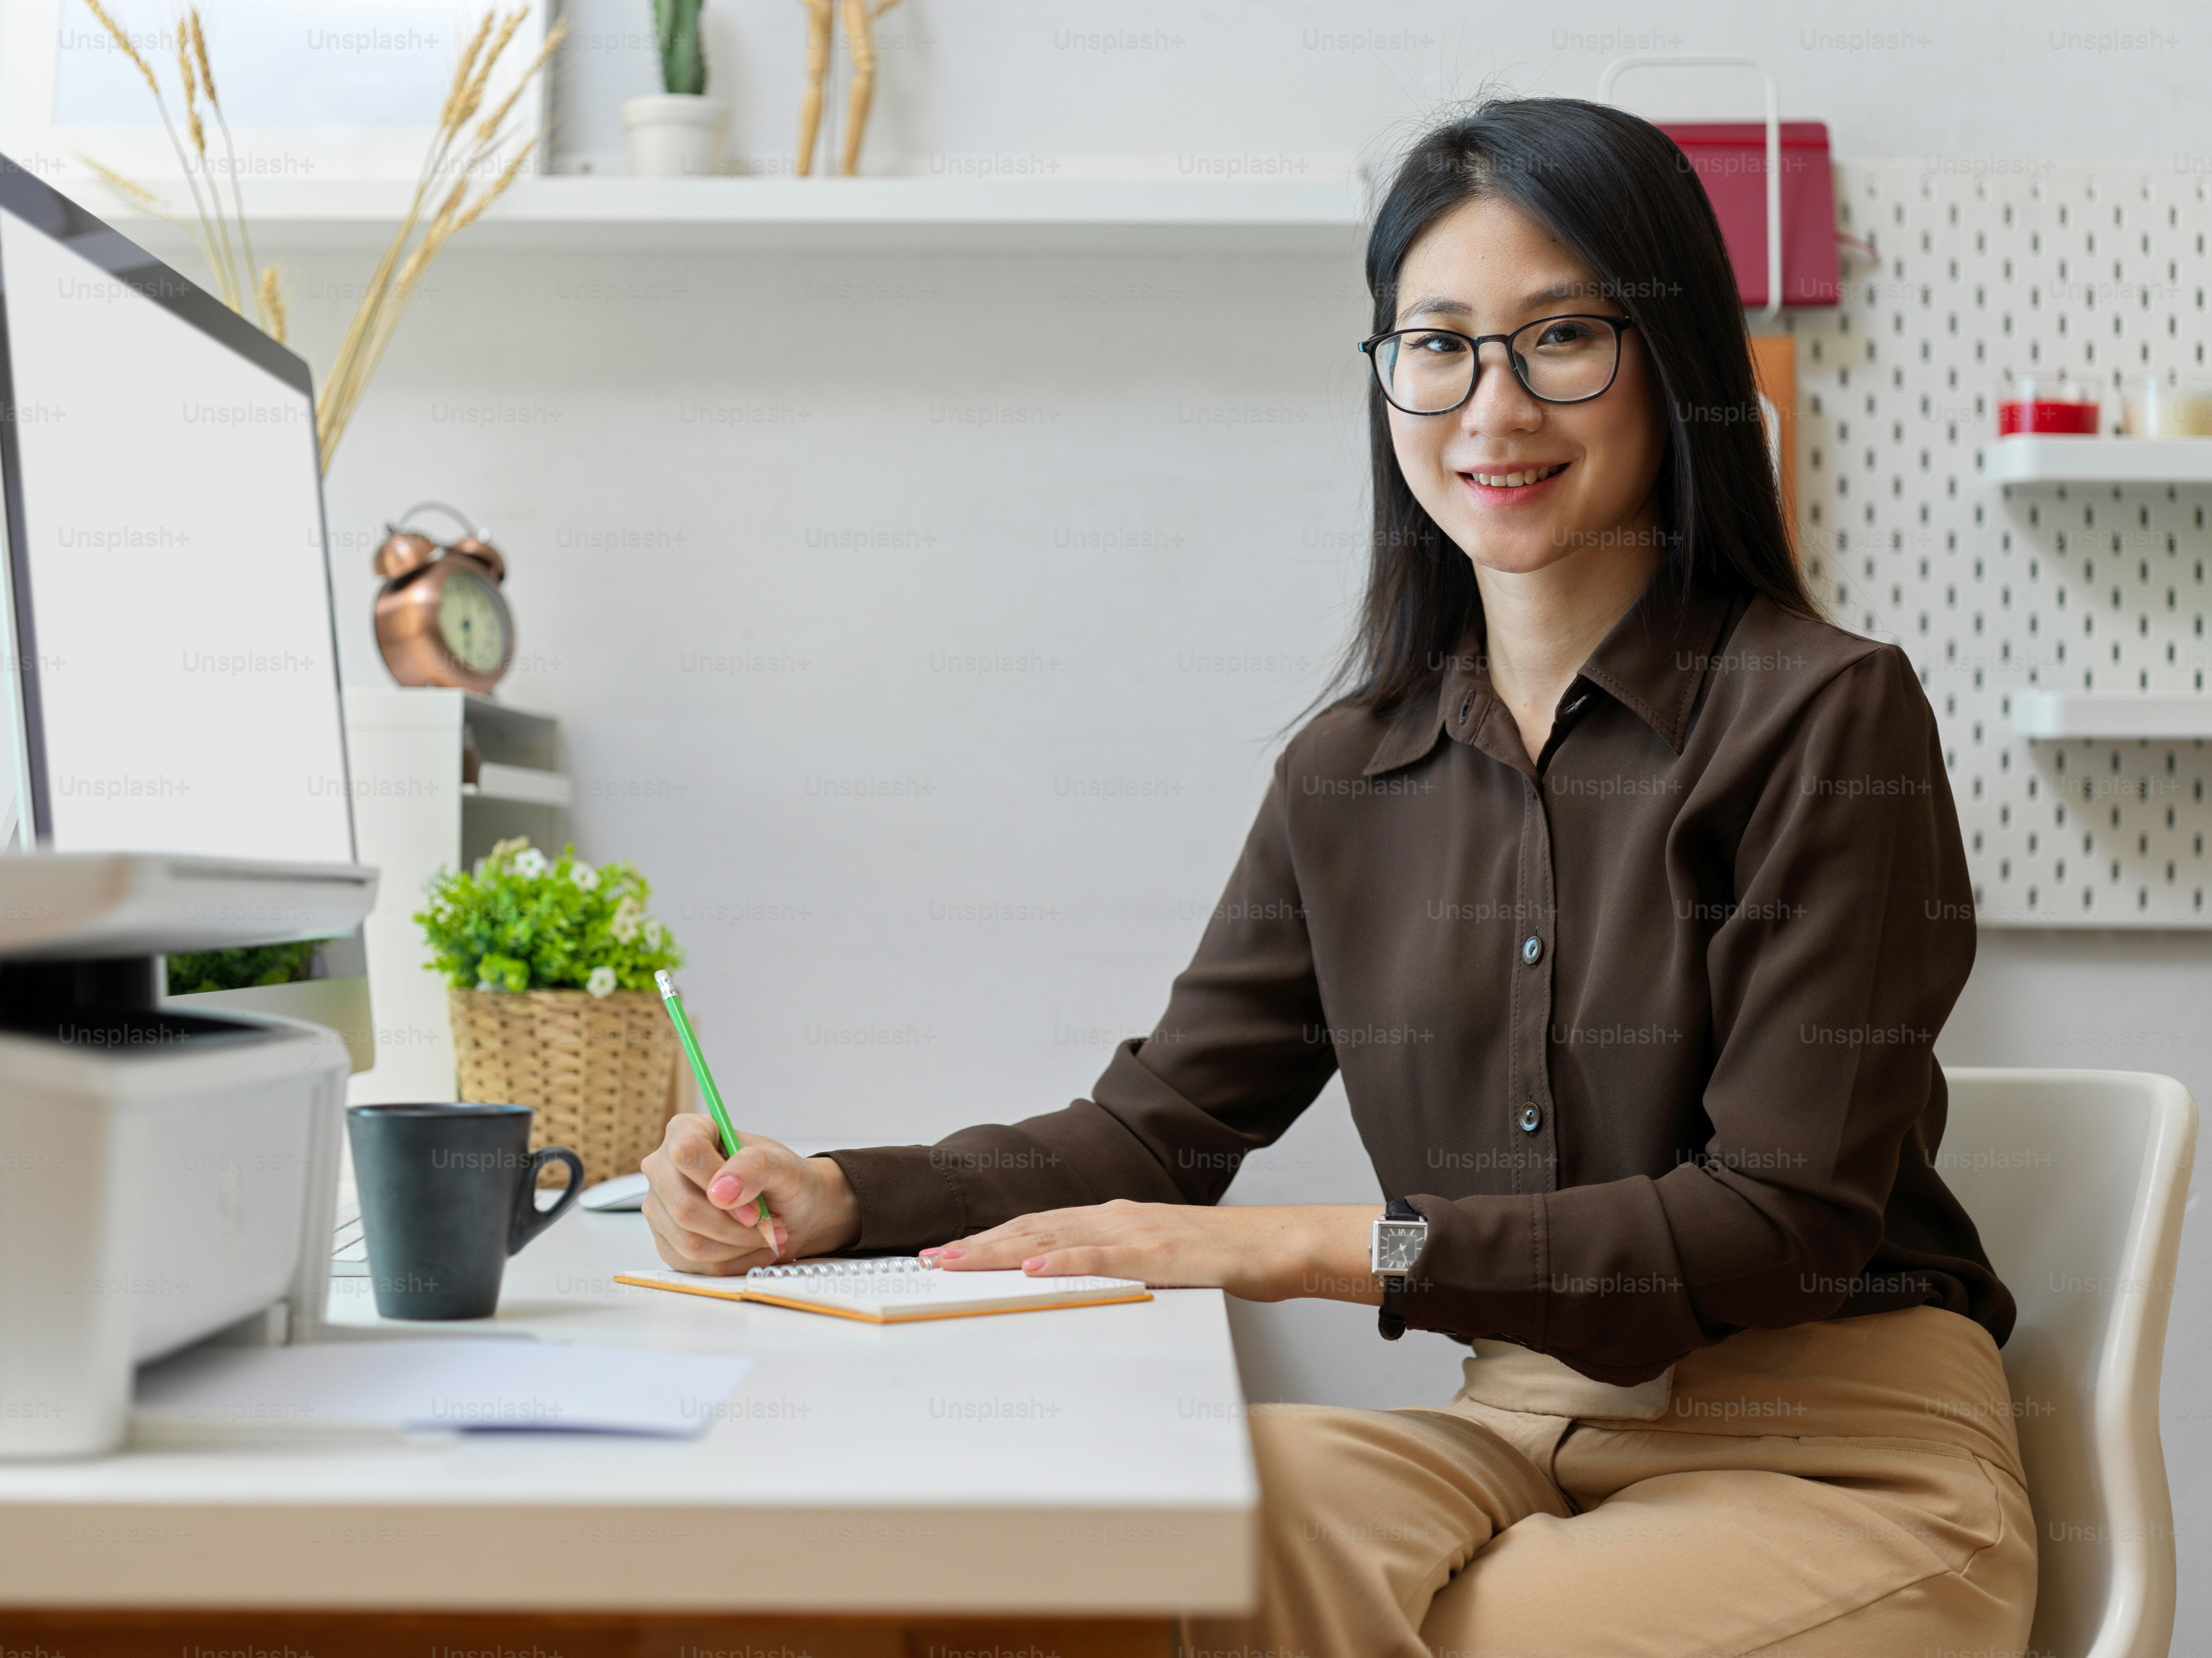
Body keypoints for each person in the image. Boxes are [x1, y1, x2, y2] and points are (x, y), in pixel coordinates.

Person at [642, 95, 2036, 1658]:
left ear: (1676, 366)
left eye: (1561, 338)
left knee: (1479, 1630)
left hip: (1831, 1450)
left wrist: (1316, 1244)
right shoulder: (1346, 773)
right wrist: (844, 1196)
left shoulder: (1829, 716)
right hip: (1511, 1430)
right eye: (1436, 346)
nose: (1490, 411)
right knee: (1134, 1532)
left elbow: (1778, 1224)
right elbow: (1156, 1132)